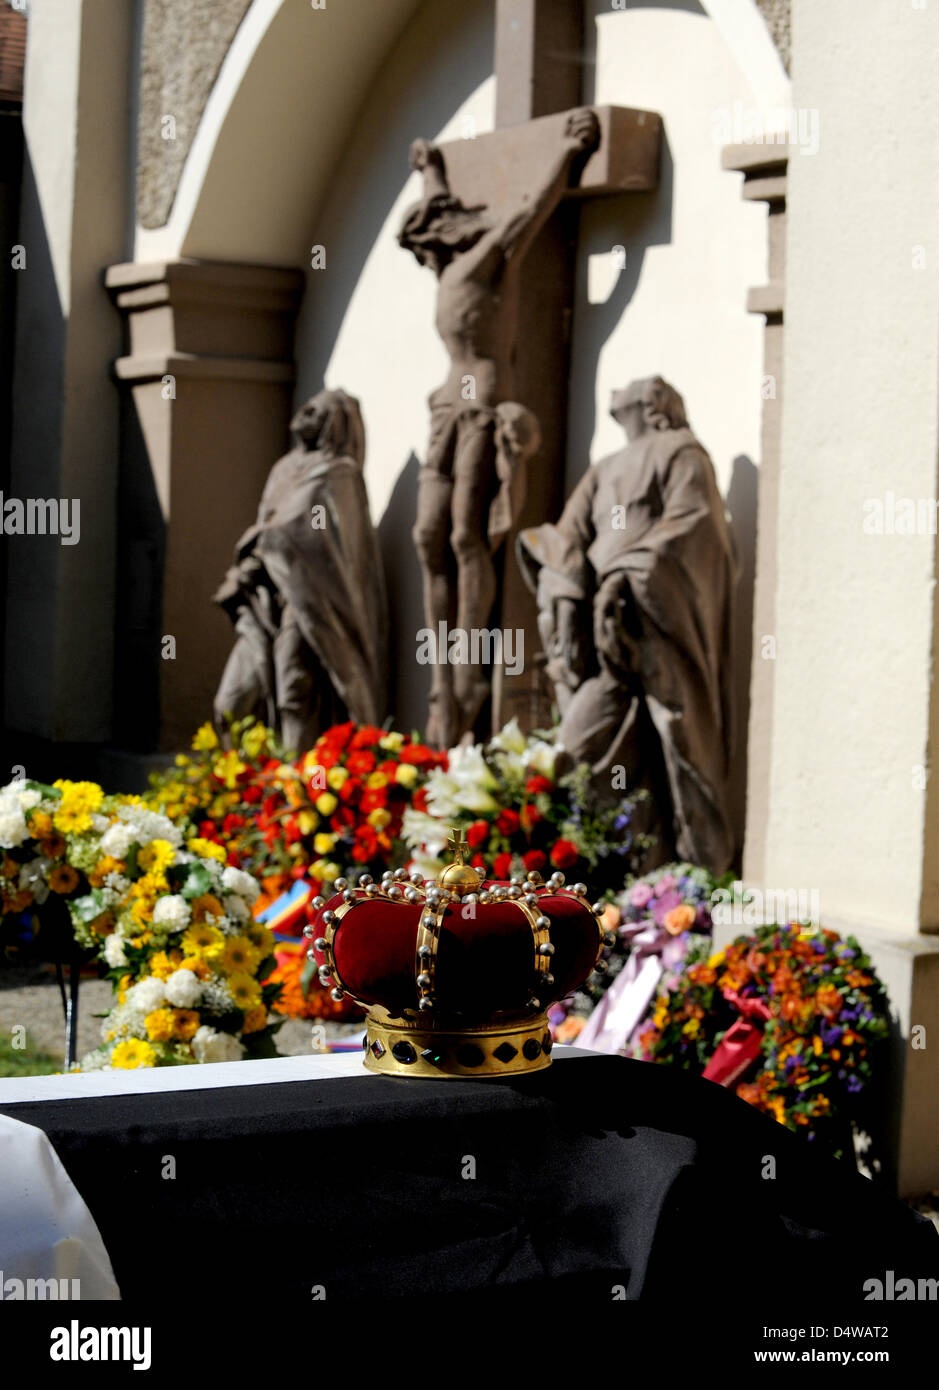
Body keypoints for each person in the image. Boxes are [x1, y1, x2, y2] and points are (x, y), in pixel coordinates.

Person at [399, 109, 600, 747]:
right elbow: (440, 206)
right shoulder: (449, 267)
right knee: (427, 533)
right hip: (445, 405)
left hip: (483, 400)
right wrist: (431, 170)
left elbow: (525, 214)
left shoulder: (486, 259)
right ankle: (441, 673)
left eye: (432, 235)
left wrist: (565, 155)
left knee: (465, 536)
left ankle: (466, 672)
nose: (428, 248)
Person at [517, 376, 737, 873]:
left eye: (628, 405)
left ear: (653, 406)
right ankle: (614, 876)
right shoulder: (604, 468)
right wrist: (570, 596)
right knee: (579, 749)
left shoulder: (683, 452)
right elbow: (563, 539)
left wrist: (625, 577)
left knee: (674, 746)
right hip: (602, 638)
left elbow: (692, 523)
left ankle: (691, 880)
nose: (620, 412)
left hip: (657, 622)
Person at [213, 389, 387, 753]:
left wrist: (265, 542)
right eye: (307, 404)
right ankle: (237, 789)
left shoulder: (339, 473)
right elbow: (271, 524)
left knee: (294, 688)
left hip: (308, 600)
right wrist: (254, 558)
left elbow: (316, 541)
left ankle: (297, 786)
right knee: (231, 701)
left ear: (334, 423)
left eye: (318, 410)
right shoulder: (284, 469)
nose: (305, 410)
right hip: (264, 597)